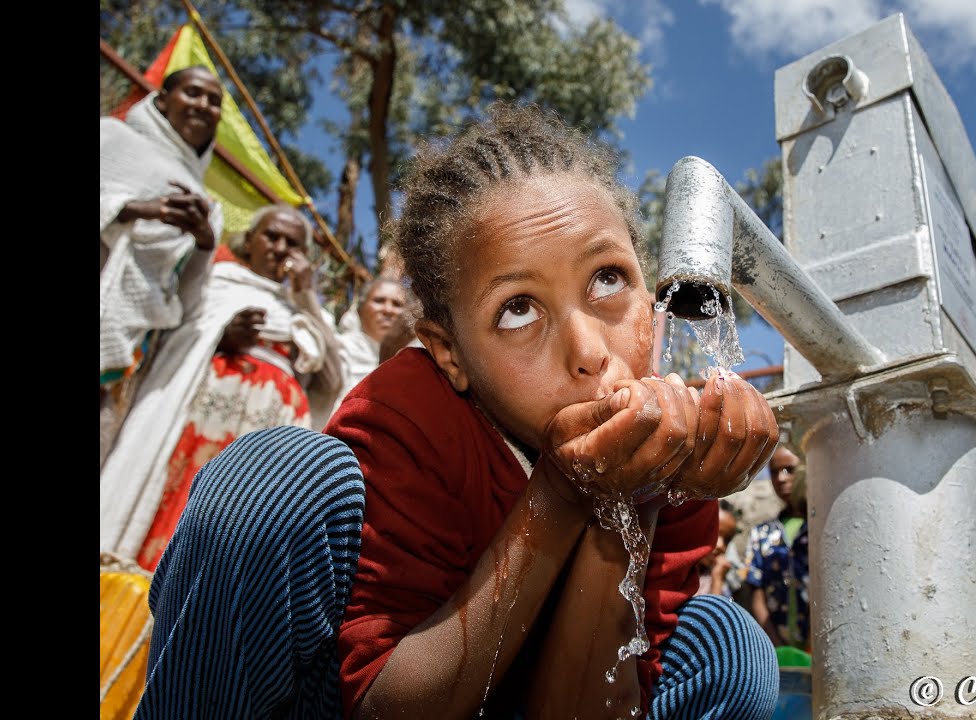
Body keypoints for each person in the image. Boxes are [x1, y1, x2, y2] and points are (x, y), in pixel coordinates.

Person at [136, 104, 782, 720]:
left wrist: (632, 505)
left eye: (608, 280)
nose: (589, 352)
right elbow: (387, 707)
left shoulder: (673, 455)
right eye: (518, 310)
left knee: (725, 641)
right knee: (280, 475)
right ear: (450, 353)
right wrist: (559, 496)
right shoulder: (413, 418)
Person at [100, 203, 344, 572]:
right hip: (201, 428)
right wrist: (223, 335)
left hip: (266, 440)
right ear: (250, 241)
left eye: (291, 243)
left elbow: (331, 381)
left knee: (236, 520)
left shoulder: (305, 312)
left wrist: (306, 295)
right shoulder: (218, 283)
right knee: (186, 503)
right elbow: (177, 336)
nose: (279, 248)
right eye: (271, 236)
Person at [100, 65, 225, 469]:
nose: (203, 106)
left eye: (214, 101)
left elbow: (189, 305)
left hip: (125, 357)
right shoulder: (111, 139)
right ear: (162, 98)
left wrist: (204, 244)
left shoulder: (207, 205)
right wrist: (136, 209)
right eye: (192, 93)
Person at [744, 445, 810, 651]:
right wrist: (776, 645)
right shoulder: (761, 534)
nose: (781, 478)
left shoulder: (822, 527)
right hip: (776, 647)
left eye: (789, 470)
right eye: (774, 472)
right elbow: (757, 595)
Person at [333, 275, 408, 405]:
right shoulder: (339, 349)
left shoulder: (410, 363)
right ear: (360, 309)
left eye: (397, 304)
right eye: (379, 301)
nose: (388, 310)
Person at [697, 500, 744, 599]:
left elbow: (714, 613)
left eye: (727, 540)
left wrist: (717, 580)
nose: (721, 545)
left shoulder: (717, 575)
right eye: (714, 533)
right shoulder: (676, 575)